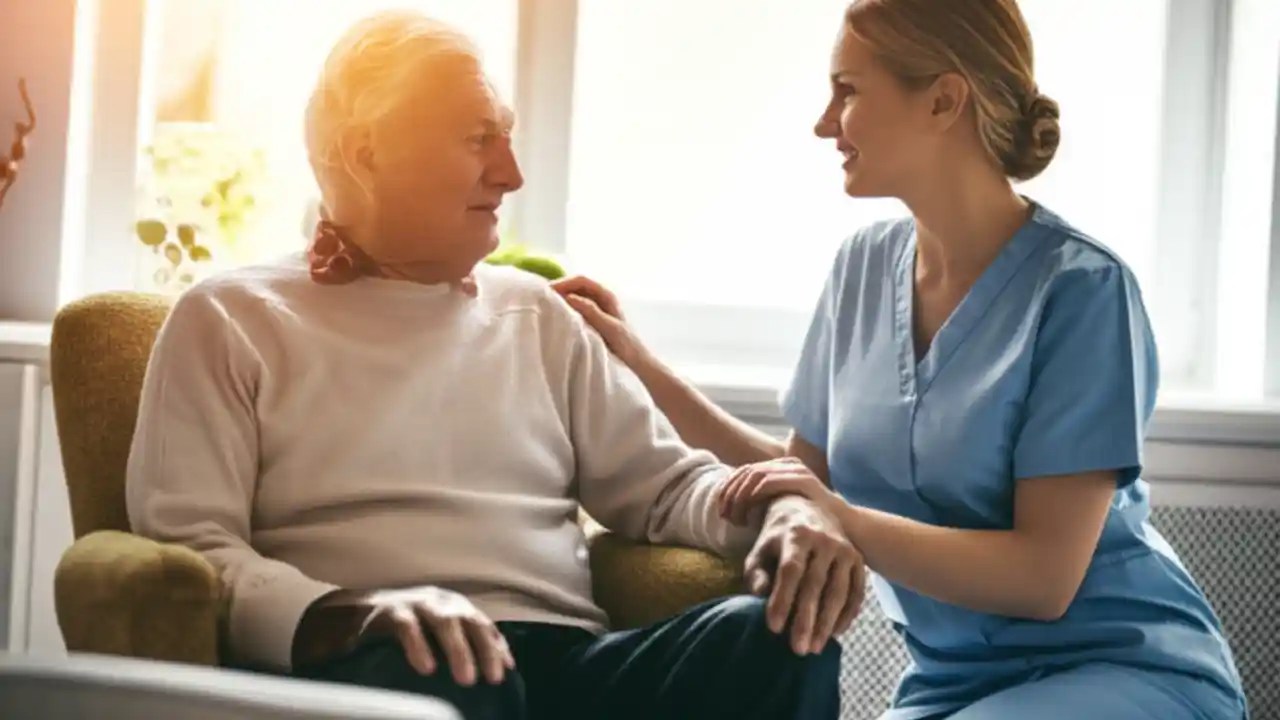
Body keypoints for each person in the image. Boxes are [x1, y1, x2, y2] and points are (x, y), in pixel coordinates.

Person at [124, 11, 856, 720]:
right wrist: (352, 613)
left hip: (563, 666)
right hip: (375, 664)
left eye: (507, 139)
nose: (511, 175)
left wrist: (782, 508)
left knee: (779, 639)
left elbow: (668, 488)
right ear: (366, 152)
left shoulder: (535, 313)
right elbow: (192, 550)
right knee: (445, 673)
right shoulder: (229, 317)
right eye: (479, 139)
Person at [553, 0, 1250, 718]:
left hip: (1119, 667)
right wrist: (635, 360)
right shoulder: (861, 265)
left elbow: (1044, 577)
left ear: (944, 100)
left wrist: (841, 522)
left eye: (848, 90)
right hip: (951, 685)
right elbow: (800, 477)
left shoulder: (1083, 292)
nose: (826, 122)